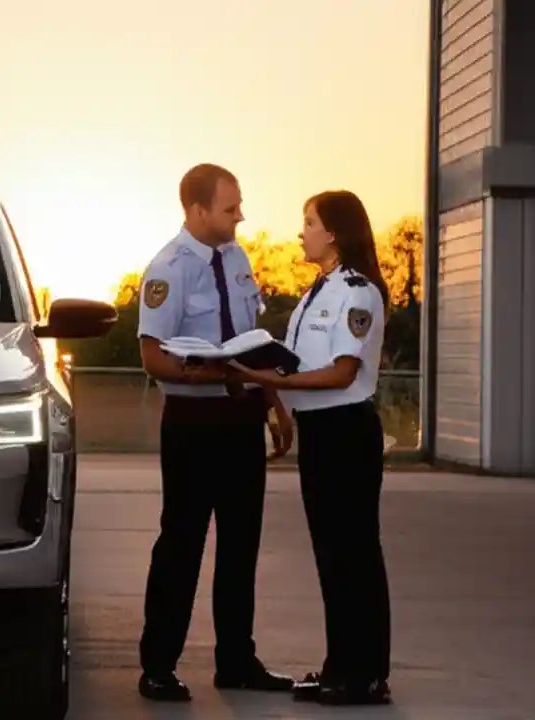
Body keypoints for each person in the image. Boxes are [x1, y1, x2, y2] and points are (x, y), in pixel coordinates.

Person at [134, 163, 295, 702]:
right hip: (193, 428)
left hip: (241, 423)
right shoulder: (169, 269)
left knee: (240, 548)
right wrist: (197, 372)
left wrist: (274, 403)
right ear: (197, 210)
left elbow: (250, 339)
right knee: (181, 545)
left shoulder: (238, 257)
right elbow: (152, 356)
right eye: (230, 208)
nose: (240, 215)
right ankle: (157, 665)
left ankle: (237, 662)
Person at [228, 189, 393, 706]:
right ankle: (338, 667)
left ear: (335, 232)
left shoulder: (357, 292)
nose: (302, 232)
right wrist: (269, 381)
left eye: (310, 222)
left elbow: (343, 371)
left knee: (355, 554)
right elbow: (300, 363)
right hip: (321, 434)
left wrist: (266, 378)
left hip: (346, 431)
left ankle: (366, 676)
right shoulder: (314, 294)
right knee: (331, 555)